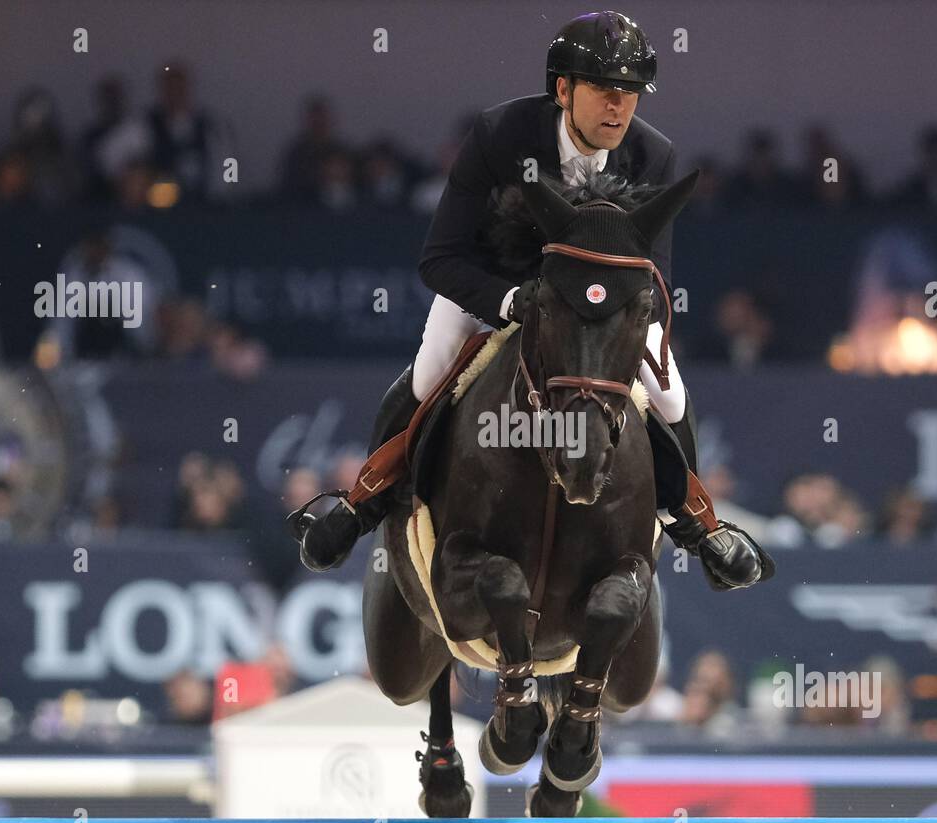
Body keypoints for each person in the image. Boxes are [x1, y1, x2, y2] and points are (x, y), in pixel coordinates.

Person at [294, 11, 769, 590]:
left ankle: (696, 524)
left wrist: (619, 315)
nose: (619, 107)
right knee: (432, 365)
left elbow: (653, 275)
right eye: (604, 90)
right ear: (564, 89)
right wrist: (512, 300)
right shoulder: (500, 135)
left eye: (630, 94)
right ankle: (361, 504)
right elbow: (439, 259)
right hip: (497, 287)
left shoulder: (654, 156)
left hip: (600, 306)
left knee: (668, 393)